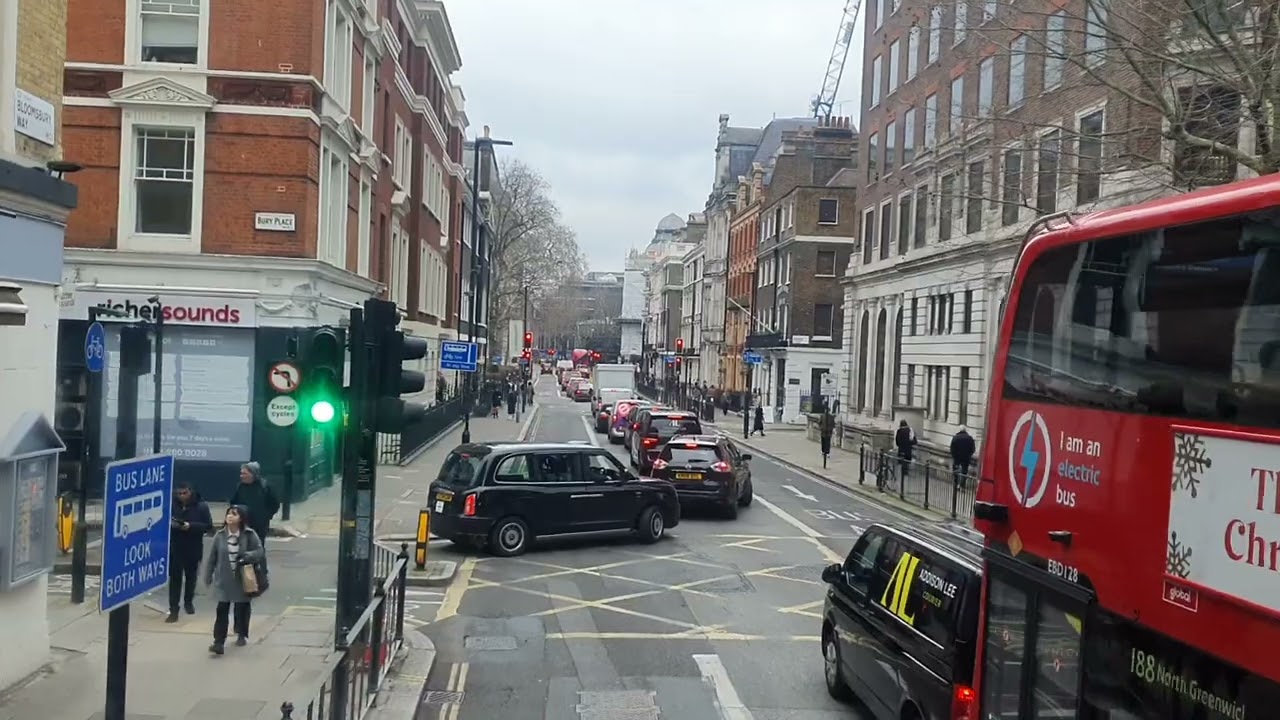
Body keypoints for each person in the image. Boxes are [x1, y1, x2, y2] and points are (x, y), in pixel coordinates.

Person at [204, 505, 264, 654]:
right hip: (224, 580)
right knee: (222, 610)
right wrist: (208, 576)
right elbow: (212, 558)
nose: (230, 516)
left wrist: (246, 556)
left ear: (241, 518)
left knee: (241, 608)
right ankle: (218, 642)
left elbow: (259, 552)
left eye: (234, 514)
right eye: (229, 513)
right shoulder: (219, 535)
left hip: (242, 579)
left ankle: (241, 633)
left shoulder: (250, 534)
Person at [167, 481, 212, 622]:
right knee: (175, 579)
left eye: (184, 493)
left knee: (191, 577)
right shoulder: (172, 505)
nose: (182, 496)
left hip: (193, 546)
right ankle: (174, 608)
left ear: (190, 491)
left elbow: (208, 526)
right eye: (179, 493)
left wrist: (190, 526)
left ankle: (188, 601)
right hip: (175, 547)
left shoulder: (201, 506)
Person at [229, 462, 279, 574]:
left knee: (258, 547)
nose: (242, 476)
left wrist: (266, 516)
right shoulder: (240, 487)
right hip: (243, 523)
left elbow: (274, 504)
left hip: (260, 524)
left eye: (245, 474)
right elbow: (233, 502)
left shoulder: (265, 487)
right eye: (241, 473)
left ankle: (261, 572)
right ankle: (244, 571)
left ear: (253, 474)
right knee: (242, 547)